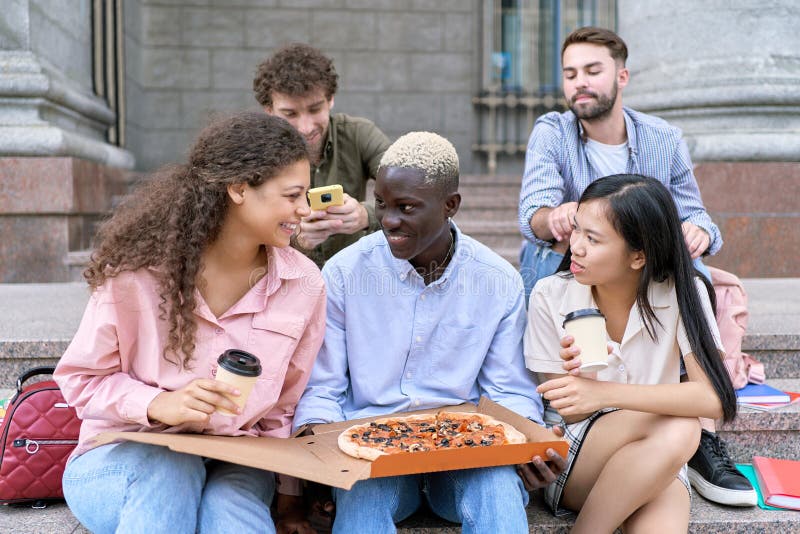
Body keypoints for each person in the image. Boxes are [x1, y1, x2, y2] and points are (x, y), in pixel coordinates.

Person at [54, 112, 326, 534]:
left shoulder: (304, 283)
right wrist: (156, 404)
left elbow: (284, 408)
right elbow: (80, 379)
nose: (304, 210)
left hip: (238, 458)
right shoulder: (136, 276)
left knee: (232, 511)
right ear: (238, 189)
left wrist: (289, 502)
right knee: (171, 474)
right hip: (125, 454)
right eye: (292, 195)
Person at [518, 26, 755, 507]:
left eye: (591, 71)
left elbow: (694, 211)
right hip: (565, 265)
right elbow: (534, 214)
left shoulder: (662, 137)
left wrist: (700, 232)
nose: (579, 83)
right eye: (570, 74)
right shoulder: (553, 132)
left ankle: (701, 439)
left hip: (646, 264)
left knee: (691, 280)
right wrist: (559, 217)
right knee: (557, 276)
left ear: (621, 76)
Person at [294, 132, 566, 533]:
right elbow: (322, 388)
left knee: (496, 486)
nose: (387, 220)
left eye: (406, 207)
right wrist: (319, 454)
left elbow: (510, 392)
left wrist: (529, 446)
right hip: (370, 449)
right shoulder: (344, 273)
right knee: (364, 496)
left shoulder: (498, 281)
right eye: (382, 204)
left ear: (450, 205)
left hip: (466, 453)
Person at [525, 174, 738, 532]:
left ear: (638, 256)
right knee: (683, 426)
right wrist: (584, 377)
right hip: (577, 457)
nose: (575, 246)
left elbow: (714, 397)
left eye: (592, 239)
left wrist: (604, 392)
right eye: (576, 230)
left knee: (674, 443)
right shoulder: (550, 295)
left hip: (659, 459)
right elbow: (566, 409)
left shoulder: (682, 293)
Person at [253, 43, 391, 266]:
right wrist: (293, 237)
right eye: (290, 114)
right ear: (269, 110)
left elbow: (410, 190)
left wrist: (366, 215)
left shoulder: (358, 134)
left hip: (352, 274)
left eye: (315, 109)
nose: (306, 128)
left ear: (331, 99)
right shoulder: (254, 151)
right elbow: (240, 228)